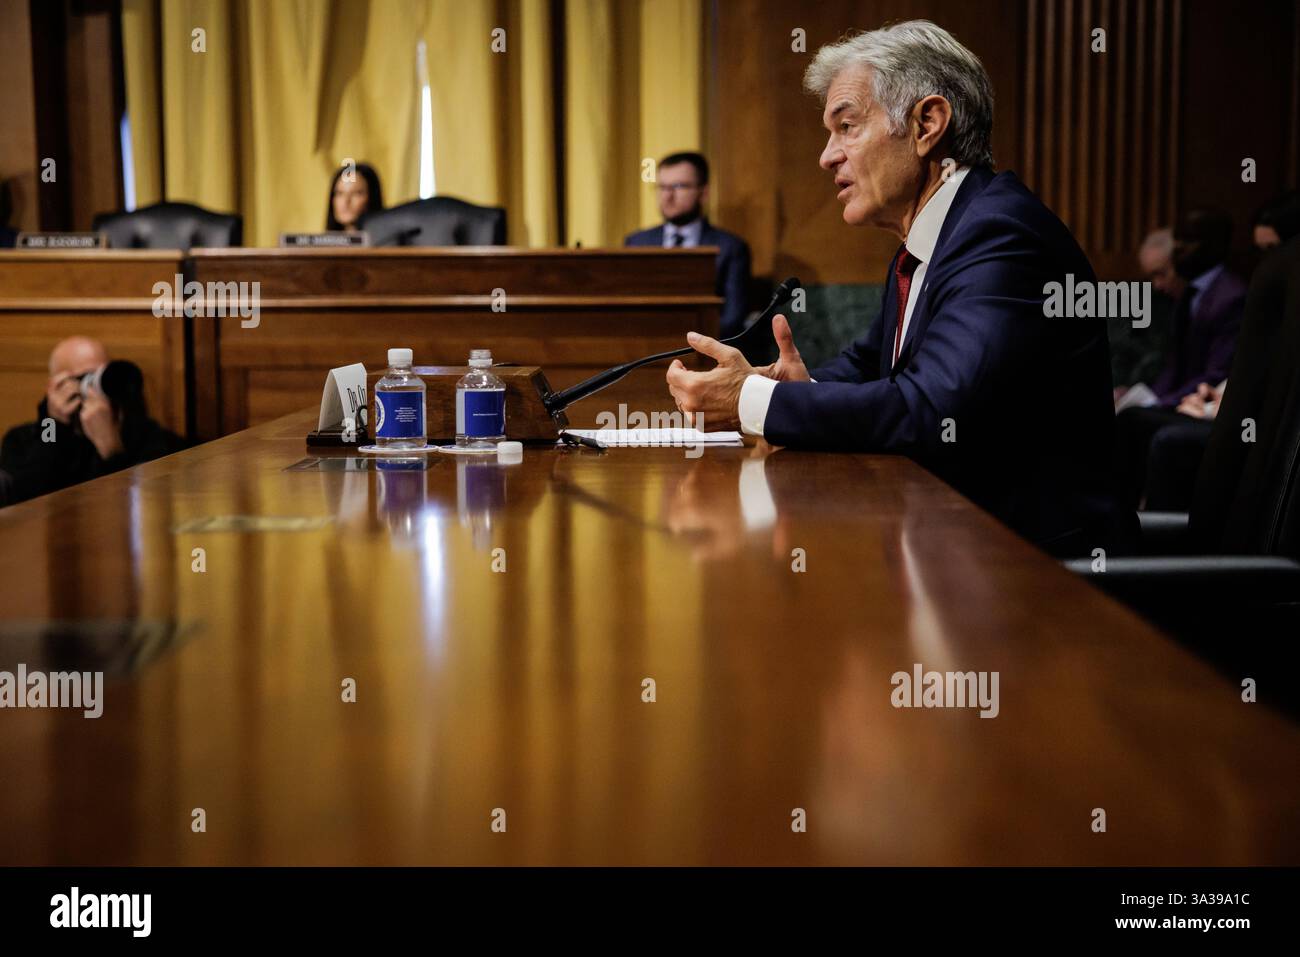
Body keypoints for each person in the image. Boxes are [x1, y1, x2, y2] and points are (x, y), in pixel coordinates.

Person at [664, 20, 1127, 556]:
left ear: (927, 124)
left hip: (1036, 580)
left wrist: (754, 401)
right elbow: (868, 368)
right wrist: (783, 386)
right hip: (950, 552)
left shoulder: (1001, 236)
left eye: (847, 126)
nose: (826, 156)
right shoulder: (931, 239)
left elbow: (932, 410)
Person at [0, 337, 185, 507]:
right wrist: (52, 422)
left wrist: (112, 450)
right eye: (84, 378)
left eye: (102, 374)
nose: (96, 387)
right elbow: (29, 498)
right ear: (54, 386)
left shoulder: (141, 433)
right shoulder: (23, 438)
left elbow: (143, 505)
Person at [625, 152, 753, 338]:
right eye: (662, 187)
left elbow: (733, 318)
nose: (667, 196)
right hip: (645, 348)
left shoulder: (731, 247)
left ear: (704, 193)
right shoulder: (636, 242)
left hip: (706, 350)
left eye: (678, 186)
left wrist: (687, 343)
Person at [326, 162, 384, 232]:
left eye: (356, 193)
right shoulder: (319, 241)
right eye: (340, 193)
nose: (346, 201)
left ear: (371, 197)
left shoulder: (392, 241)